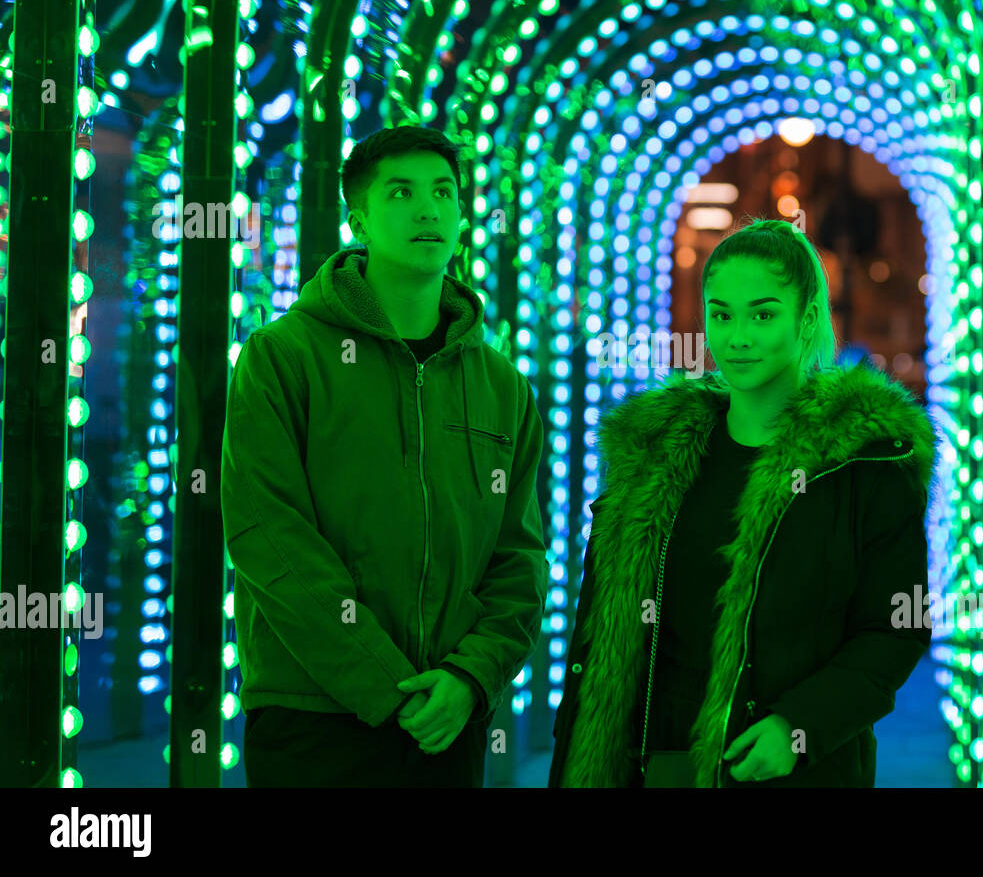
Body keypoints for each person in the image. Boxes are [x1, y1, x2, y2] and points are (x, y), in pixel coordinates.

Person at [549, 217, 938, 788]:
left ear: (806, 320)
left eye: (762, 313)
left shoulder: (865, 464)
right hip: (655, 765)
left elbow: (895, 628)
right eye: (721, 314)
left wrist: (799, 727)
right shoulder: (655, 454)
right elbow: (602, 634)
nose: (737, 337)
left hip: (787, 770)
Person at [221, 125, 547, 787]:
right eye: (401, 192)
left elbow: (519, 557)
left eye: (444, 192)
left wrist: (468, 675)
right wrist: (385, 683)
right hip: (312, 714)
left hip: (446, 719)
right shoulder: (285, 357)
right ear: (359, 218)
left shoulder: (501, 385)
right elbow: (268, 535)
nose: (429, 209)